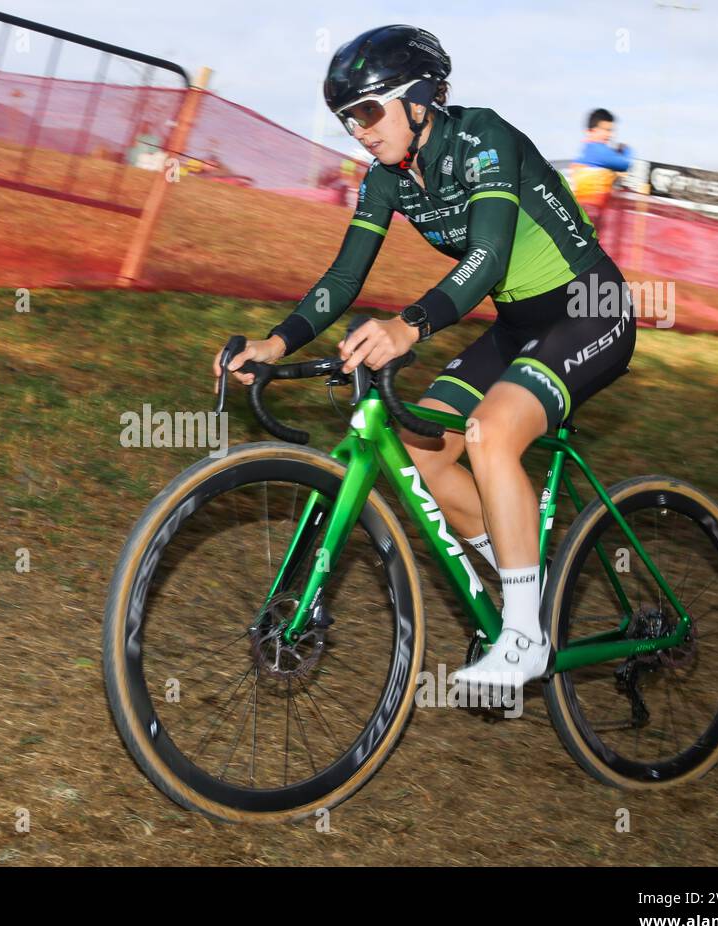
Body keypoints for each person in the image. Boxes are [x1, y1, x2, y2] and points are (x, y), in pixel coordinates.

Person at [212, 25, 636, 688]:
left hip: (590, 308)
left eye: (367, 110)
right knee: (422, 443)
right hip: (518, 322)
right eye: (347, 117)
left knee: (491, 432)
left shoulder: (484, 139)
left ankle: (525, 637)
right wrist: (277, 339)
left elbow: (488, 257)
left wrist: (410, 325)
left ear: (420, 100)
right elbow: (345, 277)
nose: (357, 128)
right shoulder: (388, 178)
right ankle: (526, 576)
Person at [568, 108, 633, 221]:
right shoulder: (596, 150)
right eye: (604, 130)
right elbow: (624, 163)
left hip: (589, 212)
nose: (609, 134)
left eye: (610, 130)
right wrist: (626, 150)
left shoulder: (588, 151)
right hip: (589, 211)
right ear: (590, 131)